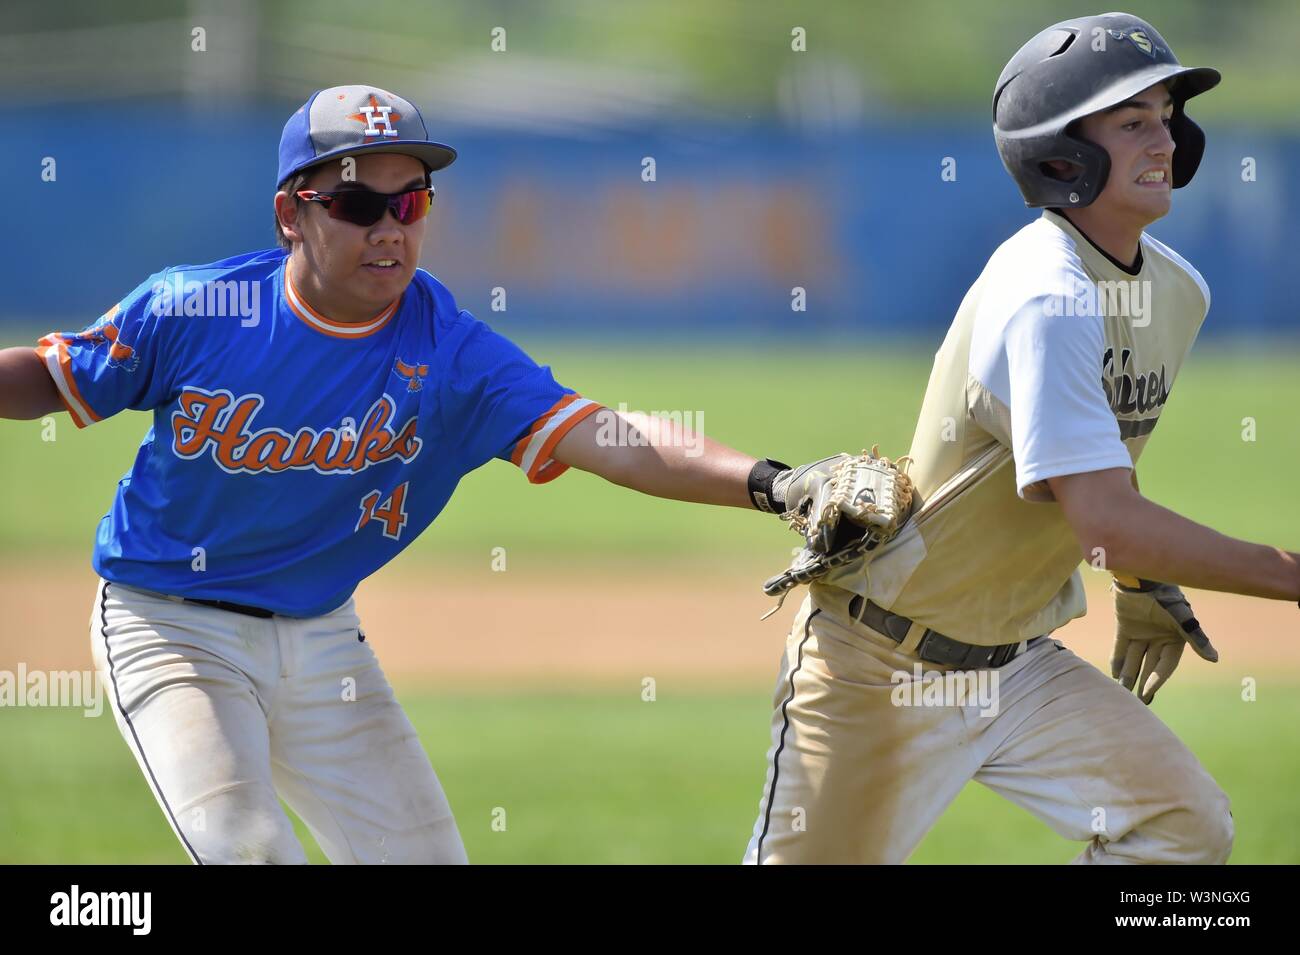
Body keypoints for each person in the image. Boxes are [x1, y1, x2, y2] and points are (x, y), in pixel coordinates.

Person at [0, 84, 827, 864]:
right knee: (249, 848)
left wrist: (776, 483)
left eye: (411, 202)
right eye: (359, 204)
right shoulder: (196, 310)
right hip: (171, 626)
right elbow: (54, 376)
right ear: (292, 212)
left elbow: (614, 438)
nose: (390, 227)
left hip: (323, 642)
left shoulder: (454, 354)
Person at [744, 12, 1298, 865]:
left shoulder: (1176, 292)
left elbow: (1100, 478)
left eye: (1166, 117)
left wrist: (1145, 579)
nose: (1166, 138)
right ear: (1060, 155)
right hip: (881, 662)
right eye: (1132, 121)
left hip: (1018, 667)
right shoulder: (1045, 292)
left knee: (1184, 829)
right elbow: (1106, 523)